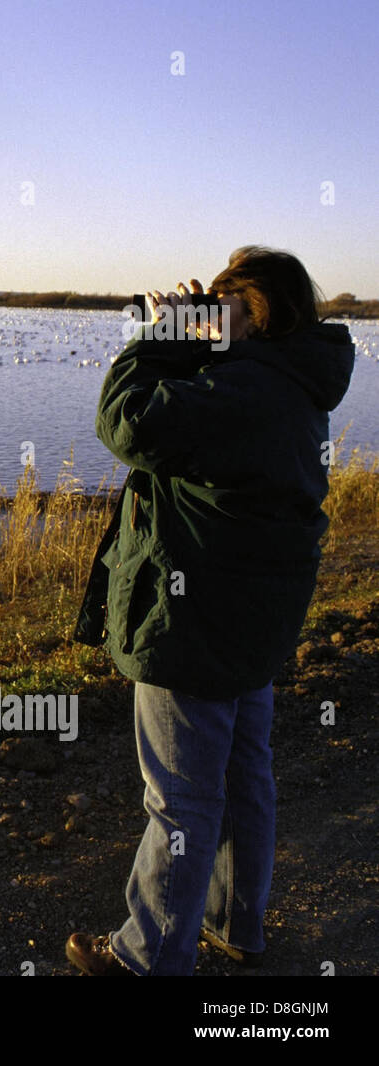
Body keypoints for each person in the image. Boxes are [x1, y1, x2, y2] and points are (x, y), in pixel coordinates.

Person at [67, 246, 355, 976]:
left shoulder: (246, 391)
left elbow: (127, 422)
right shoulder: (289, 382)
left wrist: (159, 338)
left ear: (255, 314)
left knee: (182, 799)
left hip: (192, 623)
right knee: (244, 776)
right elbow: (210, 430)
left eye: (224, 307)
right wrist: (205, 340)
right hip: (251, 618)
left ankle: (150, 957)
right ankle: (235, 924)